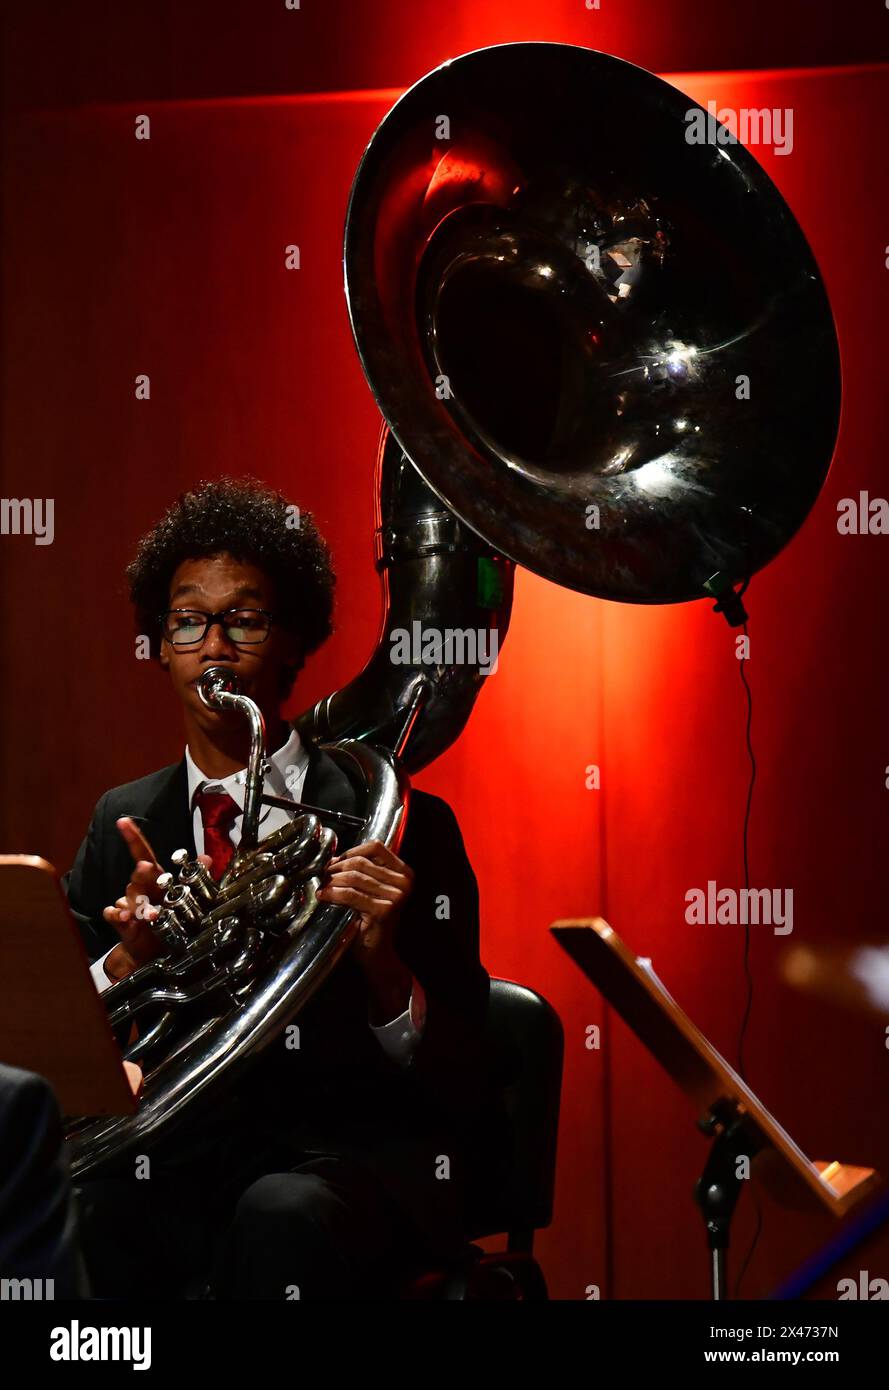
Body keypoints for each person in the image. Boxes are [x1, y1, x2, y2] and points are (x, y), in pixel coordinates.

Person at [62, 476, 491, 1299]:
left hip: (343, 1157)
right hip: (180, 1154)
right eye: (188, 620)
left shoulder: (396, 821)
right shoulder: (122, 822)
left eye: (245, 620)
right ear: (159, 643)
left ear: (296, 641)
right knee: (78, 1211)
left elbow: (463, 1068)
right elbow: (72, 1059)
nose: (214, 647)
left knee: (278, 1216)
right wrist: (127, 965)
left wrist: (382, 967)